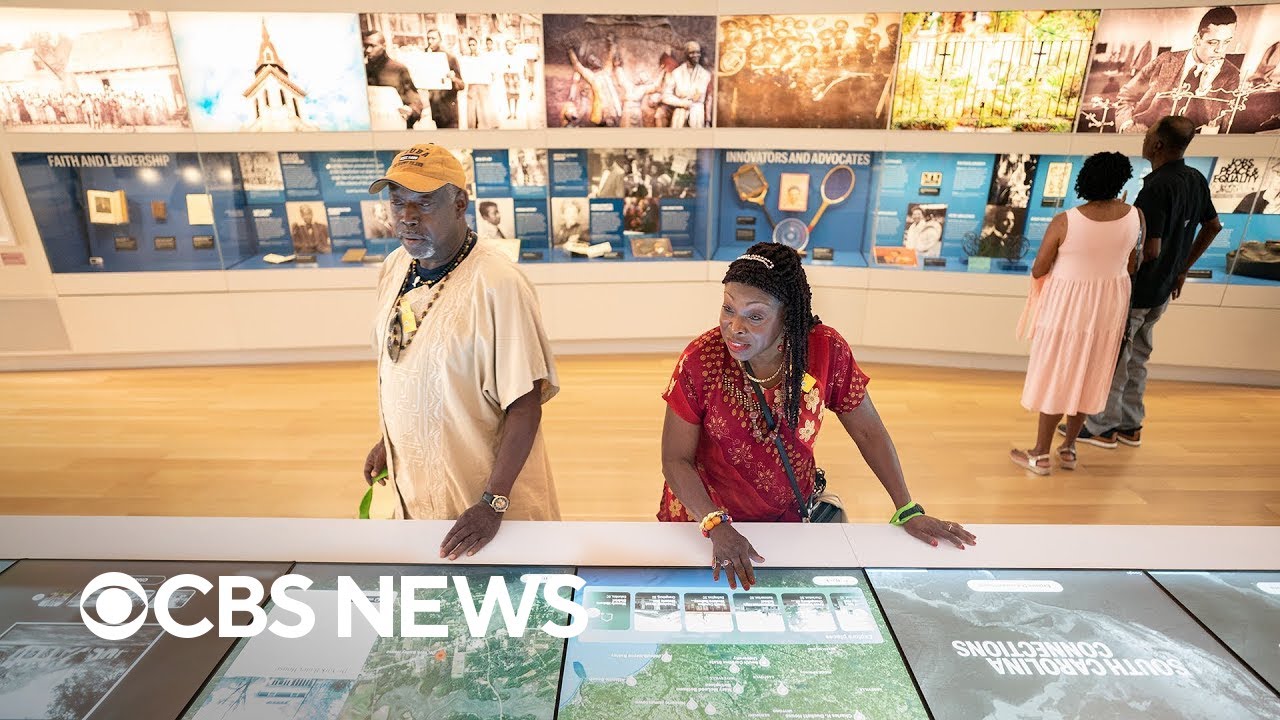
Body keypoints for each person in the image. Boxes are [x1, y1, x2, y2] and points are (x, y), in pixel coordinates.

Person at [659, 242, 976, 590]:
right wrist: (715, 524)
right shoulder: (702, 360)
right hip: (704, 521)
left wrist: (907, 508)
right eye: (728, 308)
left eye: (755, 316)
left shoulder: (824, 351)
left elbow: (869, 432)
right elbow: (675, 459)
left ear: (787, 315)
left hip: (788, 522)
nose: (735, 327)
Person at [363, 144, 560, 559]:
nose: (407, 216)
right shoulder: (395, 267)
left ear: (459, 204)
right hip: (414, 489)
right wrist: (391, 440)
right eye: (397, 202)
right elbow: (405, 363)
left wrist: (493, 503)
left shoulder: (498, 284)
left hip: (483, 503)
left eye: (423, 202)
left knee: (501, 593)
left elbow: (525, 405)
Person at [1069, 116, 1222, 448]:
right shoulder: (1195, 179)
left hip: (1138, 291)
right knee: (1138, 356)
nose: (1144, 139)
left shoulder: (1155, 188)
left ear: (1158, 144)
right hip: (1163, 290)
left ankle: (1102, 427)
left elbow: (1149, 250)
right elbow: (1213, 226)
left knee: (1115, 358)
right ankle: (1130, 424)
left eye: (1148, 135)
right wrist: (1181, 268)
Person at [1012, 152, 1144, 474]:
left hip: (1068, 307)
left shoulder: (1066, 220)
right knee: (1090, 372)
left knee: (1058, 372)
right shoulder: (1135, 215)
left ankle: (1040, 454)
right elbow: (1132, 264)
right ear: (1121, 180)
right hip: (1109, 307)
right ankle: (1069, 448)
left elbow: (1039, 267)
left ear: (1085, 179)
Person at [1113, 7, 1242, 134]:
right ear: (1197, 40)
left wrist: (1204, 91)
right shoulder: (1165, 60)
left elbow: (1222, 124)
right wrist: (1127, 127)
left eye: (1226, 42)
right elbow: (1126, 96)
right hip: (1145, 133)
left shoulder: (1231, 75)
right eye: (1213, 42)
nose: (1220, 50)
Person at [363, 31, 424, 129]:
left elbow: (414, 99)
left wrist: (411, 110)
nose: (368, 50)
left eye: (373, 46)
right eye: (365, 46)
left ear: (384, 46)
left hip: (394, 125)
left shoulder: (398, 70)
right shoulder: (362, 71)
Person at [662, 41, 712, 128]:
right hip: (680, 116)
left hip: (697, 117)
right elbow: (665, 96)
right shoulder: (677, 73)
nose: (696, 55)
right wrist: (682, 103)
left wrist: (708, 120)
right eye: (692, 52)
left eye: (698, 52)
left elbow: (708, 98)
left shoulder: (705, 75)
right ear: (686, 54)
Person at [424, 29, 464, 129]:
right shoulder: (427, 59)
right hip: (436, 108)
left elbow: (462, 85)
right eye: (428, 38)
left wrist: (453, 78)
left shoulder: (450, 58)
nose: (430, 41)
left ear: (440, 40)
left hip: (449, 107)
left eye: (433, 38)